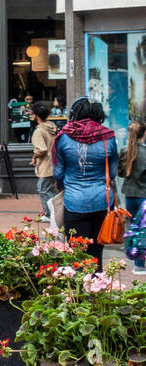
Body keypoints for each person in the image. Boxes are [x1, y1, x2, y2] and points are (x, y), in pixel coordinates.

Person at [52, 97, 118, 269]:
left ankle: (79, 292)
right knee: (97, 252)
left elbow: (57, 173)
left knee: (77, 253)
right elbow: (112, 173)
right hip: (102, 201)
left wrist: (70, 182)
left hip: (74, 201)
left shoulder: (64, 137)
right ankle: (98, 289)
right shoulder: (108, 137)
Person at [31, 101, 58, 220]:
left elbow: (41, 149)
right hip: (55, 164)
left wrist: (35, 156)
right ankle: (54, 212)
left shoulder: (39, 131)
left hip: (46, 166)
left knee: (43, 189)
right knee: (52, 189)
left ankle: (49, 214)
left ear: (36, 115)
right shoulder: (52, 127)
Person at [120, 120, 146, 221]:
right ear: (144, 133)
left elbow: (121, 173)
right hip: (143, 196)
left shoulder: (124, 151)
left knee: (133, 229)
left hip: (129, 198)